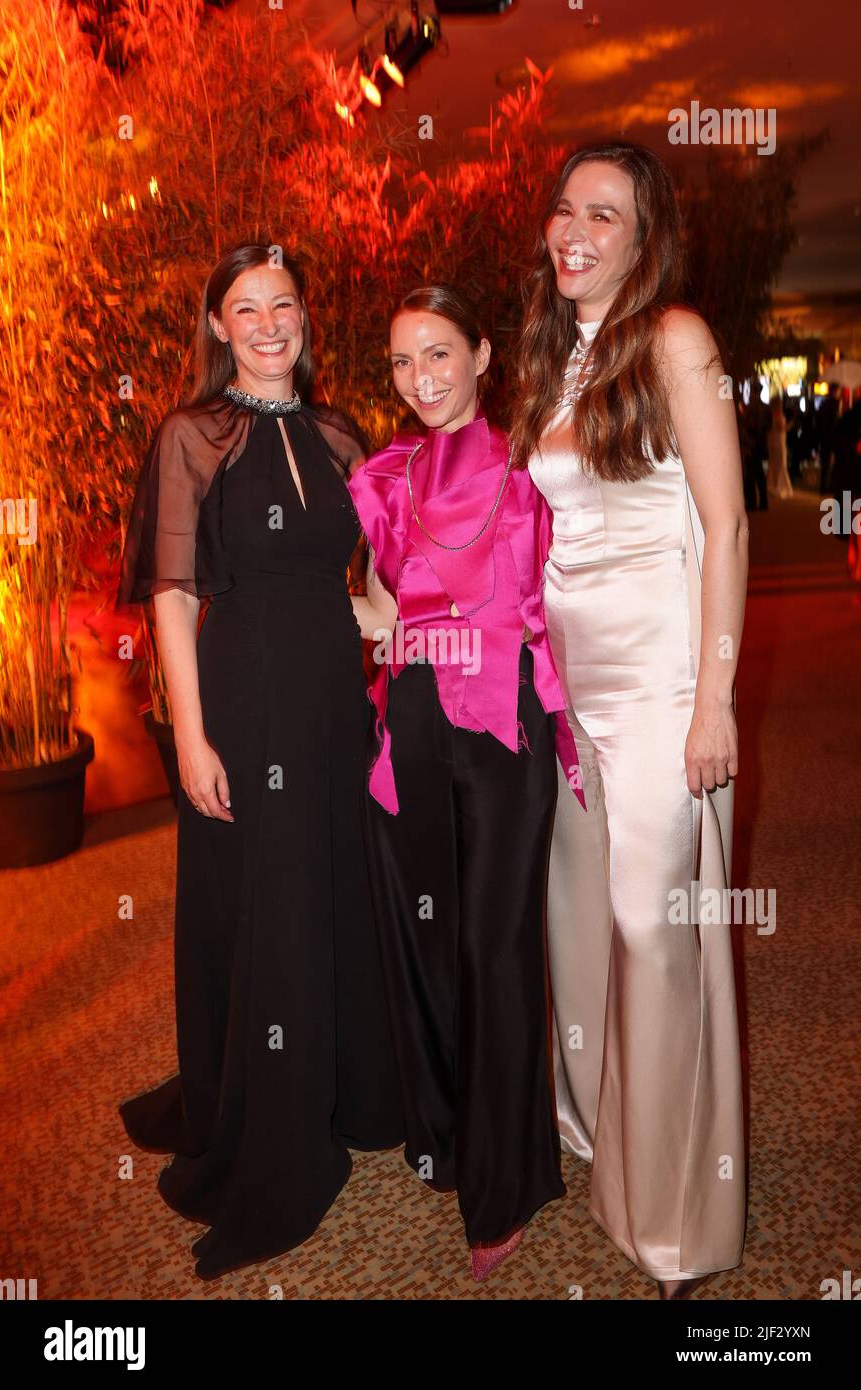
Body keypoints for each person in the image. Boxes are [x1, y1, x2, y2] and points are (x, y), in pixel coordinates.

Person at [115, 243, 403, 1280]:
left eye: (284, 302)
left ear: (304, 318)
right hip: (244, 701)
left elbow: (361, 583)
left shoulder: (340, 433)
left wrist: (411, 621)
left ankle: (355, 1085)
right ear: (218, 327)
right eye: (247, 308)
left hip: (332, 700)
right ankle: (280, 1145)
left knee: (333, 885)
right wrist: (190, 734)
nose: (269, 322)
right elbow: (173, 599)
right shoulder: (192, 435)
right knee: (271, 902)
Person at [512, 142, 748, 1298]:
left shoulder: (677, 340)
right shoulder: (560, 355)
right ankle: (609, 1144)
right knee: (582, 931)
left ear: (644, 234)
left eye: (602, 213)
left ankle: (674, 1212)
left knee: (658, 943)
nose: (574, 230)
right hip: (571, 701)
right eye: (564, 209)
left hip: (661, 695)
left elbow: (729, 527)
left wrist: (715, 697)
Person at [347, 285, 584, 1282]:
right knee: (425, 934)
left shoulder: (534, 466)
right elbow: (379, 599)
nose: (421, 381)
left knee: (495, 945)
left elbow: (582, 587)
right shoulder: (384, 472)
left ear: (483, 354)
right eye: (403, 364)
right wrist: (365, 612)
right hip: (412, 721)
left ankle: (506, 1179)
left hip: (504, 728)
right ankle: (443, 1130)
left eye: (438, 355)